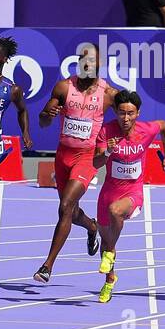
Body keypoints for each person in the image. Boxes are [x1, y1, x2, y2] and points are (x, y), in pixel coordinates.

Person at [33, 46, 120, 283]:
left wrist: (117, 143)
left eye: (94, 61)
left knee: (65, 205)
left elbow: (128, 116)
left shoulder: (109, 94)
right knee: (69, 212)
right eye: (85, 60)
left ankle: (47, 266)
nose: (89, 65)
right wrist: (47, 114)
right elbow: (42, 121)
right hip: (63, 156)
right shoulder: (64, 87)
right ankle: (92, 227)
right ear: (79, 62)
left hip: (87, 157)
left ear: (100, 65)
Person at [91, 90, 165, 303]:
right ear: (115, 112)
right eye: (121, 113)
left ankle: (109, 251)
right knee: (105, 235)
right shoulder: (106, 131)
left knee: (115, 213)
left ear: (138, 113)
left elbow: (163, 125)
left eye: (130, 113)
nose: (125, 118)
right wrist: (107, 152)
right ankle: (109, 281)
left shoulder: (146, 130)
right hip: (109, 191)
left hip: (133, 192)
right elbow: (95, 164)